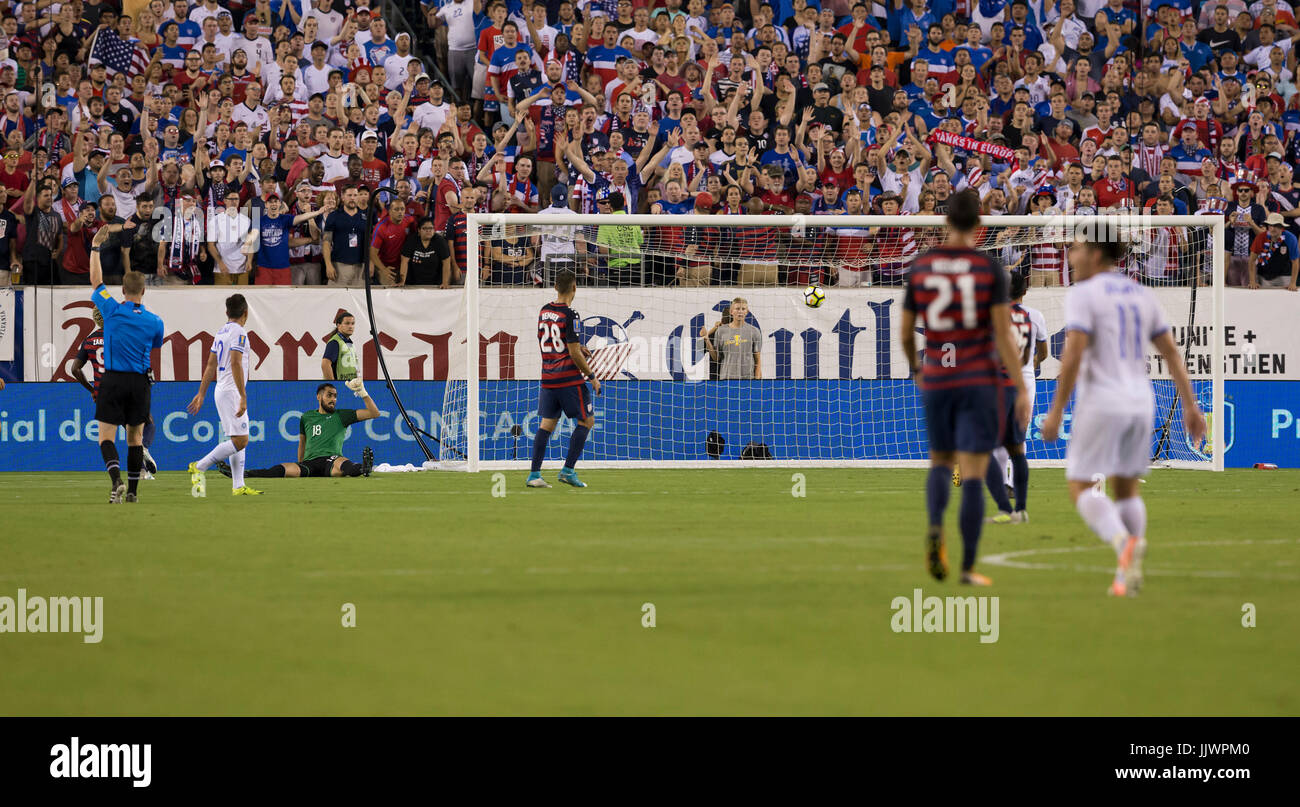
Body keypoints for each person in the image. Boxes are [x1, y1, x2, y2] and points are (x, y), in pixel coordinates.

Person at [1042, 236, 1207, 597]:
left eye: (1078, 248)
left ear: (1096, 253)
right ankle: (1128, 572)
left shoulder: (1084, 294)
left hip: (1102, 400)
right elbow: (1171, 353)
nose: (1071, 255)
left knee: (1081, 486)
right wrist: (1191, 405)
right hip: (1140, 401)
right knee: (1127, 489)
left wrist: (1055, 411)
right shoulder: (1140, 293)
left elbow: (1072, 356)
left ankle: (1122, 543)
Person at [899, 190, 1030, 586]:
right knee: (972, 473)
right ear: (980, 225)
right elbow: (1004, 336)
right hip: (978, 379)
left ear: (944, 222)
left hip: (939, 376)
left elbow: (905, 332)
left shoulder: (922, 266)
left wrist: (916, 369)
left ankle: (935, 528)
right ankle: (969, 568)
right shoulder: (988, 268)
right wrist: (1021, 387)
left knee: (940, 463)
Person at [88, 221, 163, 504]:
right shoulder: (156, 321)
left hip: (114, 379)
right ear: (144, 292)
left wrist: (96, 246)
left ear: (123, 290)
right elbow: (155, 346)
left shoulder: (111, 310)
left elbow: (96, 281)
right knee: (135, 439)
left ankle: (116, 480)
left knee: (106, 437)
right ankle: (132, 492)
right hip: (140, 381)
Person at [526, 269, 601, 489]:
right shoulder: (571, 314)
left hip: (548, 378)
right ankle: (568, 470)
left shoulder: (544, 310)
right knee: (587, 420)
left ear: (556, 287)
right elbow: (574, 353)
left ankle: (534, 475)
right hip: (568, 378)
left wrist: (577, 347)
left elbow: (554, 342)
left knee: (546, 425)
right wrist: (592, 376)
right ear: (574, 287)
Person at [986, 272, 1047, 524]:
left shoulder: (993, 315)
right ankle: (1019, 506)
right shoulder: (1031, 316)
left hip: (998, 383)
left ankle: (1003, 501)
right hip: (1024, 382)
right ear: (1025, 289)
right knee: (1017, 443)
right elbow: (1041, 353)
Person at [186, 294, 261, 496]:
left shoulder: (221, 331)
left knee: (237, 436)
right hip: (231, 391)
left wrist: (202, 393)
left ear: (227, 312)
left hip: (222, 389)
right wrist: (243, 396)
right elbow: (236, 363)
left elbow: (211, 365)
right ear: (246, 312)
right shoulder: (240, 332)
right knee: (241, 441)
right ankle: (200, 466)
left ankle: (238, 485)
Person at [72, 307, 159, 478]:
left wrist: (92, 390)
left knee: (112, 437)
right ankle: (143, 452)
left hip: (104, 395)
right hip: (125, 389)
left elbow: (75, 369)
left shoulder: (89, 340)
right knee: (147, 425)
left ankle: (140, 471)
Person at [240, 382, 377, 479]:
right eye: (329, 395)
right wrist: (300, 463)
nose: (333, 399)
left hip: (331, 459)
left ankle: (363, 468)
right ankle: (244, 474)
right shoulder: (307, 417)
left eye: (335, 396)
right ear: (319, 397)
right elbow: (302, 443)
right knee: (283, 469)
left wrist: (362, 393)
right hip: (310, 464)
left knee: (343, 466)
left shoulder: (341, 415)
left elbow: (374, 413)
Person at [700, 298, 762, 379]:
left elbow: (758, 361)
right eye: (737, 309)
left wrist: (756, 383)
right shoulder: (720, 331)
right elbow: (717, 358)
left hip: (747, 380)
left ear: (747, 312)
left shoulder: (754, 331)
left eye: (743, 309)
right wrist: (707, 339)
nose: (740, 311)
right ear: (731, 311)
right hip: (726, 380)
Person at [400, 217, 453, 287]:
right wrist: (402, 282)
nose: (428, 231)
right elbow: (404, 261)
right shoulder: (411, 241)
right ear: (419, 230)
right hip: (413, 283)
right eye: (425, 228)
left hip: (436, 283)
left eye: (431, 228)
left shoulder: (440, 242)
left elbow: (446, 262)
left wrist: (445, 282)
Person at [321, 310, 358, 381]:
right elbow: (325, 364)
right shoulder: (335, 342)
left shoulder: (349, 343)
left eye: (353, 323)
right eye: (347, 323)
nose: (350, 326)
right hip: (340, 387)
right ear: (338, 325)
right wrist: (333, 385)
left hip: (349, 386)